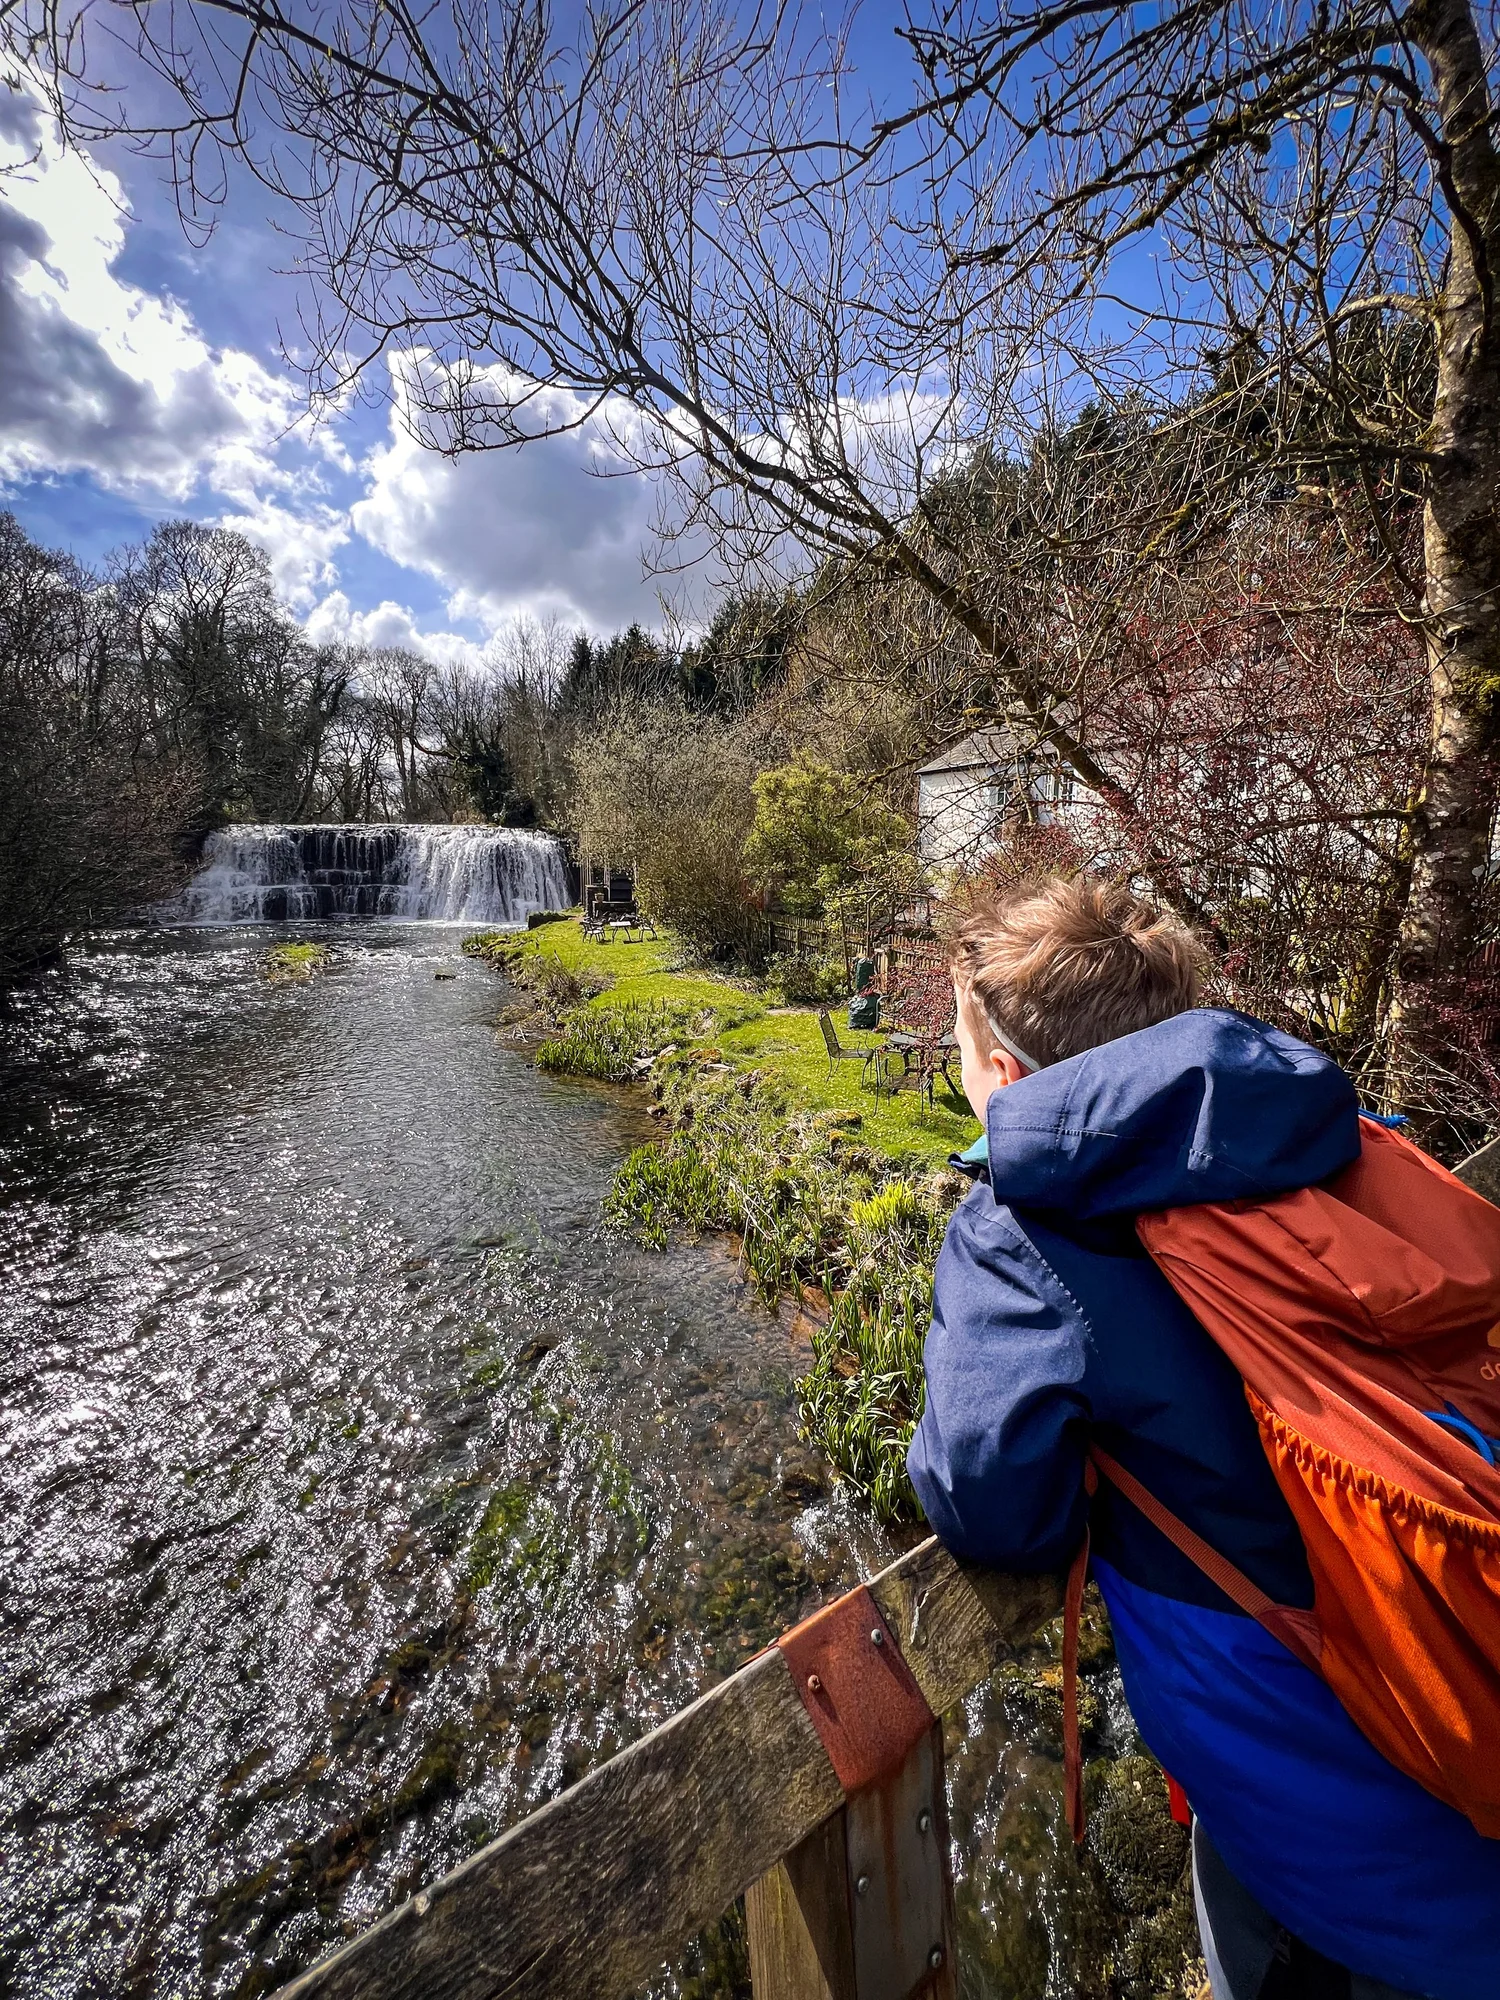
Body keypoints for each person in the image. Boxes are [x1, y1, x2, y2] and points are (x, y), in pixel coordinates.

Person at [905, 875, 1500, 2000]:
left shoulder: (1027, 1236)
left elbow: (992, 1504)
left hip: (1352, 1843)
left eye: (960, 1049)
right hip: (1450, 1694)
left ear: (1010, 1075)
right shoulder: (1323, 1131)